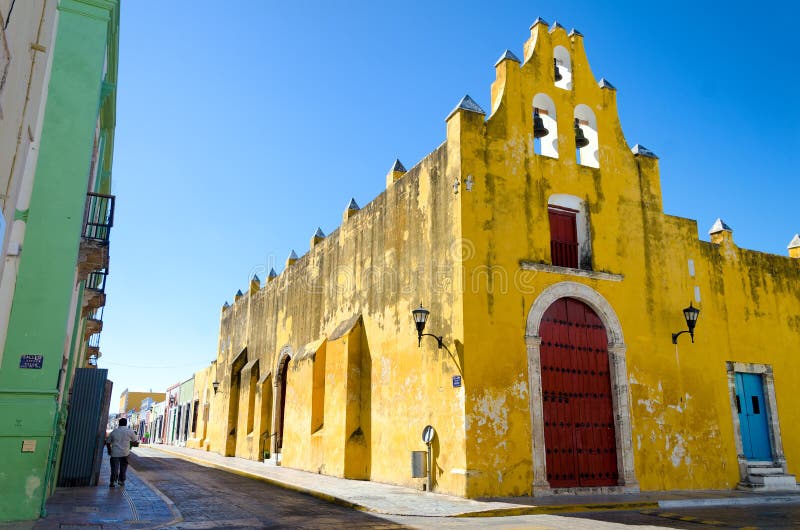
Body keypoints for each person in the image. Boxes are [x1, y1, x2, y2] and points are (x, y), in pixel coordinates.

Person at [105, 417, 139, 488]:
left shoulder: (114, 432)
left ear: (119, 424)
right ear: (126, 424)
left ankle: (112, 482)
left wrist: (109, 450)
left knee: (114, 468)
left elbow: (108, 442)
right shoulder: (130, 431)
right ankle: (121, 481)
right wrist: (130, 443)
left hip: (115, 453)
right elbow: (135, 442)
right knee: (123, 468)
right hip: (125, 453)